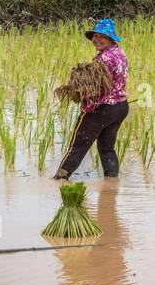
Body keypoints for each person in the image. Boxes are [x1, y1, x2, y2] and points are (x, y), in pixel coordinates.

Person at [54, 18, 129, 180]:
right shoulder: (120, 53)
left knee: (77, 148)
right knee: (107, 148)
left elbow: (94, 89)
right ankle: (111, 183)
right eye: (95, 36)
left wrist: (75, 91)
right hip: (120, 107)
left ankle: (58, 181)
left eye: (102, 36)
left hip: (100, 110)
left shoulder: (103, 60)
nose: (97, 39)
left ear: (110, 38)